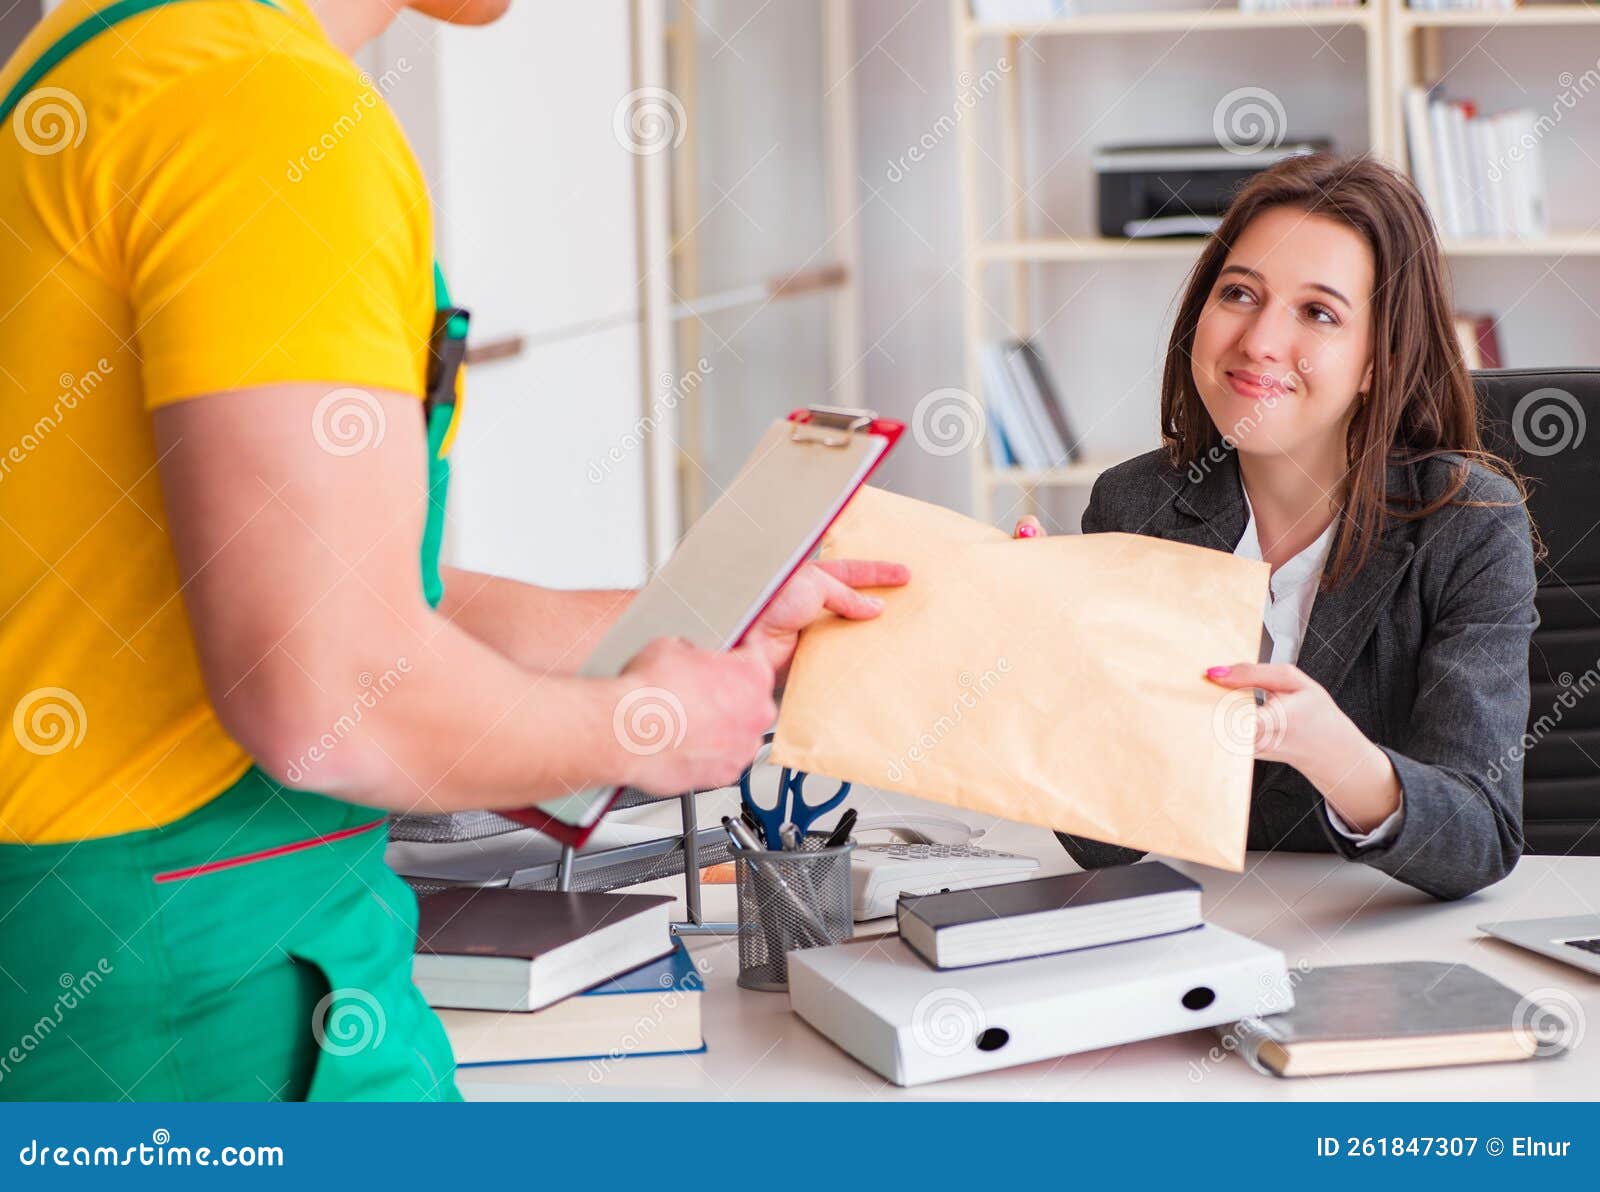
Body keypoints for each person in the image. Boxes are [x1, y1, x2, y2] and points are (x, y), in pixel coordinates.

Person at [0, 0, 905, 1100]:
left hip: (93, 937)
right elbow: (329, 695)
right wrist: (643, 726)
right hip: (202, 984)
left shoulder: (101, 54)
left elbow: (316, 578)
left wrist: (699, 616)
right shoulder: (267, 114)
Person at [1016, 153, 1538, 902]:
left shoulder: (1469, 525)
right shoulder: (1135, 507)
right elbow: (1098, 841)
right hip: (1194, 937)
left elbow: (1481, 836)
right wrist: (1060, 664)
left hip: (1377, 942)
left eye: (1319, 313)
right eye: (1239, 293)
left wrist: (1331, 752)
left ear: (1376, 360)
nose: (1260, 340)